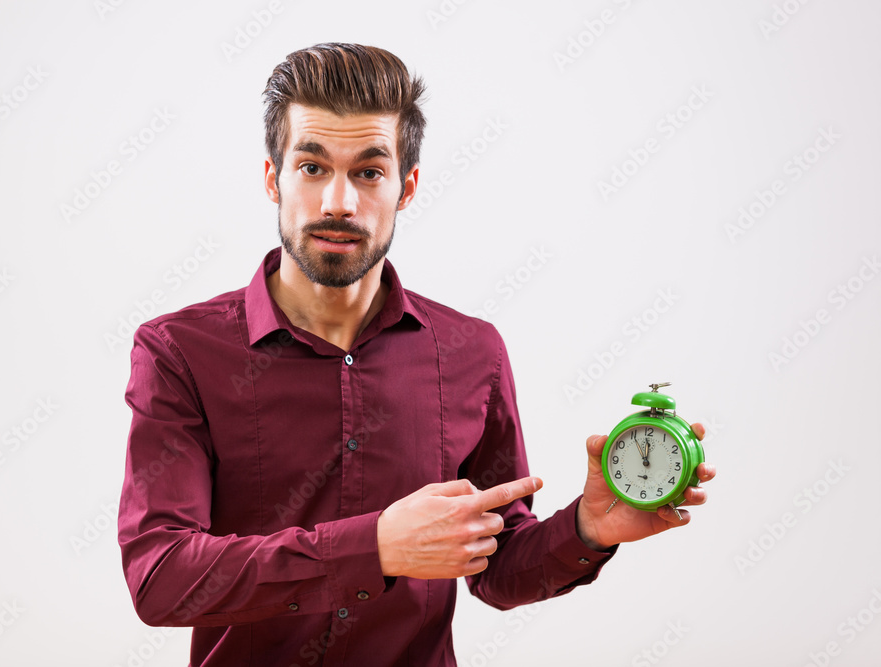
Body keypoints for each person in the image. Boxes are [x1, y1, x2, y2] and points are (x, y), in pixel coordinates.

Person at [117, 42, 715, 666]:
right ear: (274, 179)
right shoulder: (179, 352)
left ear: (406, 187)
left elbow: (498, 569)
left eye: (369, 172)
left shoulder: (471, 352)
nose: (338, 204)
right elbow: (159, 577)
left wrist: (587, 529)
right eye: (313, 168)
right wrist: (373, 547)